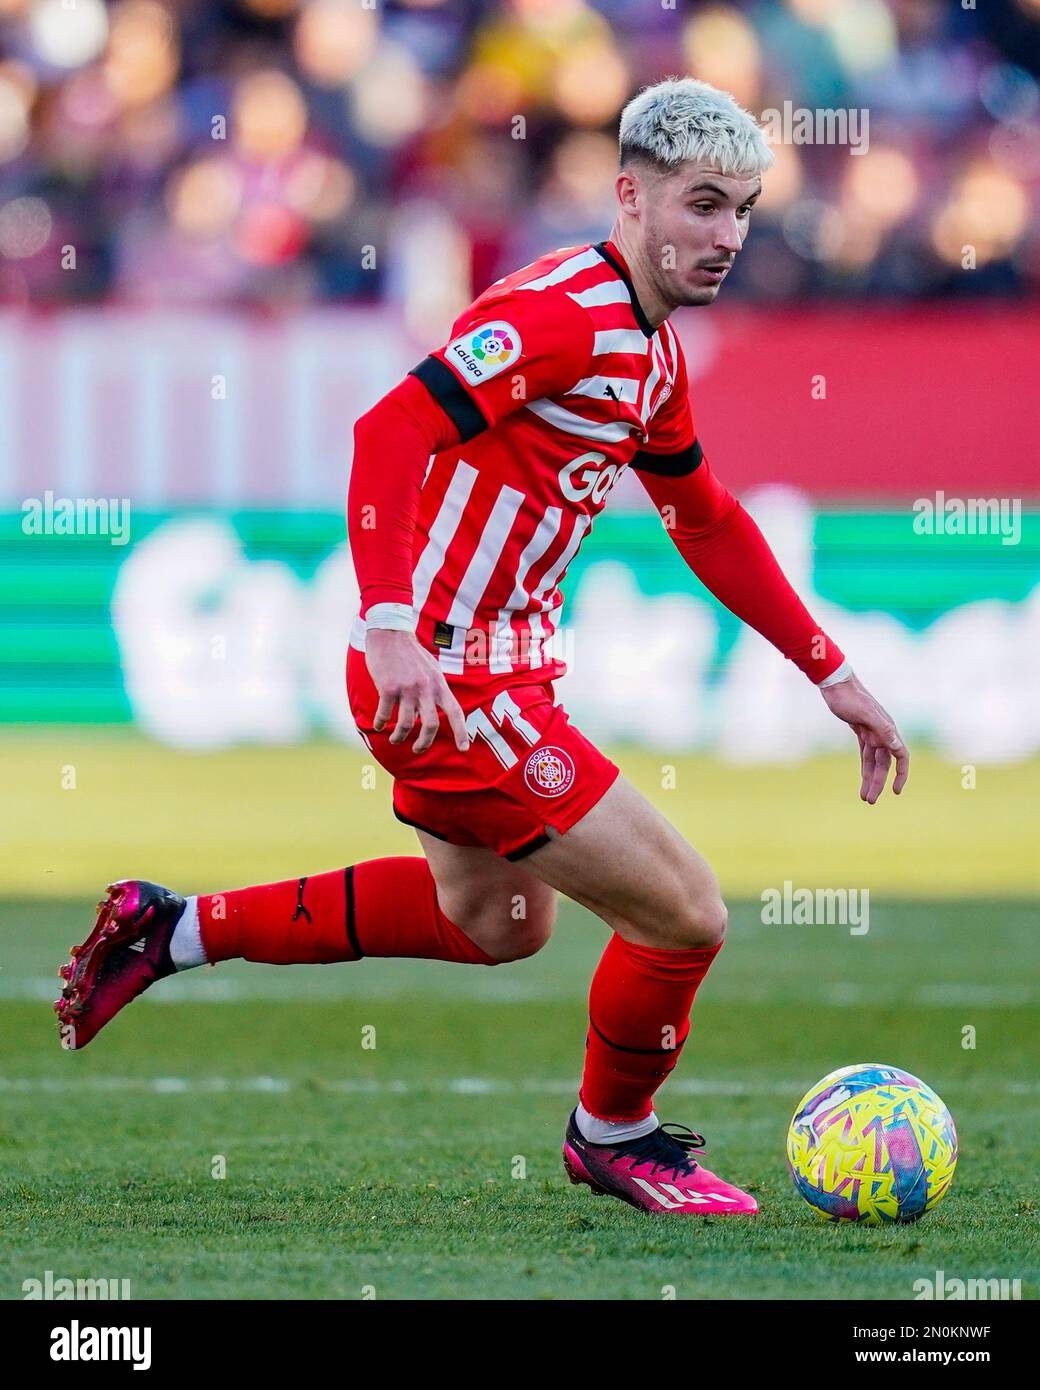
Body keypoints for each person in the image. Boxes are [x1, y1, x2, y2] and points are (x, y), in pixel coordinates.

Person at [55, 78, 908, 1218]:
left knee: (498, 924)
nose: (726, 237)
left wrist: (831, 673)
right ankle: (617, 1135)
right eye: (701, 205)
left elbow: (701, 516)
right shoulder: (566, 315)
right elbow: (390, 427)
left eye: (742, 210)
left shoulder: (648, 352)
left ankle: (172, 928)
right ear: (629, 196)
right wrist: (391, 618)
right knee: (685, 913)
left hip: (494, 669)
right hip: (449, 673)